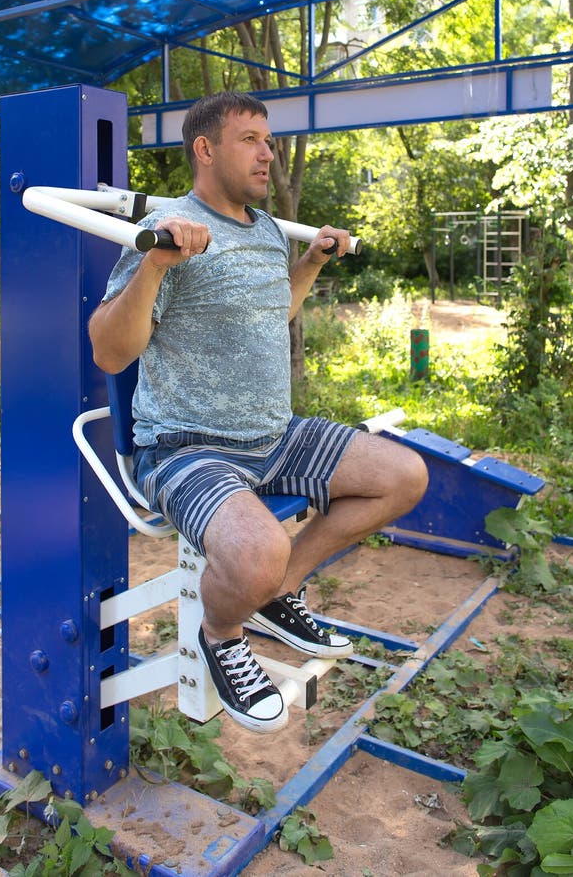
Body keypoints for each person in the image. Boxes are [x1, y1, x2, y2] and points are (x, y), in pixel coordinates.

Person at [89, 91, 428, 734]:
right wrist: (158, 263)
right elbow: (109, 352)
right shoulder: (169, 228)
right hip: (186, 445)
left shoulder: (268, 231)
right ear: (206, 149)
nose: (267, 153)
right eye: (250, 139)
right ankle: (221, 631)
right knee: (257, 550)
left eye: (268, 141)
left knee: (404, 476)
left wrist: (310, 262)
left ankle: (277, 593)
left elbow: (273, 312)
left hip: (275, 435)